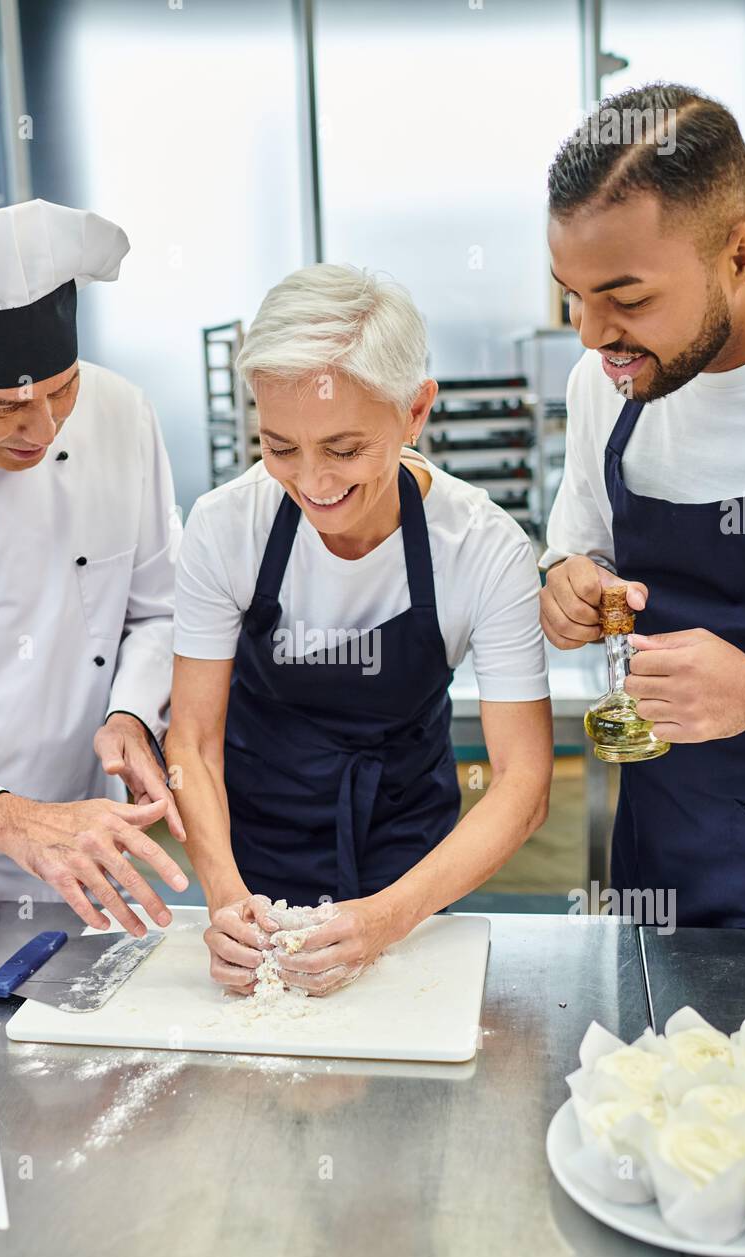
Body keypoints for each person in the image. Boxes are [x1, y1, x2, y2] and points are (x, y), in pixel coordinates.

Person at [167, 264, 552, 995]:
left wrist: (388, 917)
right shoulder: (225, 527)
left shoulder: (483, 547)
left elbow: (524, 783)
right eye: (279, 446)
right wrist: (220, 891)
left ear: (415, 413)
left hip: (414, 871)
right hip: (254, 853)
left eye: (344, 449)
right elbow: (191, 739)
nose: (312, 481)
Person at [0, 199, 187, 935]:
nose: (45, 429)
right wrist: (5, 818)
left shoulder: (121, 412)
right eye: (4, 410)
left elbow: (159, 607)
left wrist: (131, 711)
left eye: (63, 392)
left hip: (85, 864)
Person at [542, 83, 745, 929]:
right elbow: (582, 550)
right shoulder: (606, 386)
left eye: (627, 300)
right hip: (670, 854)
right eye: (572, 294)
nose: (592, 336)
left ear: (742, 255)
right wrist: (569, 581)